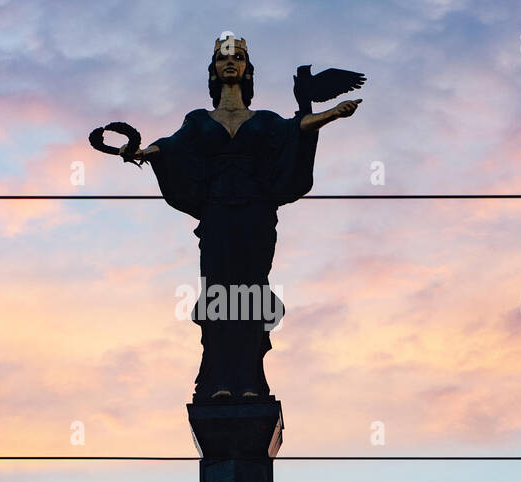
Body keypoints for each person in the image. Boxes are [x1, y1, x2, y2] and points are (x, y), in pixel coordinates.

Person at [134, 37, 362, 402]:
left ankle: (251, 380)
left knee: (251, 292)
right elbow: (172, 146)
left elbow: (297, 128)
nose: (231, 63)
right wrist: (142, 152)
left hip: (255, 214)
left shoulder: (265, 121)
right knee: (220, 293)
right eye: (223, 58)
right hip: (217, 215)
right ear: (213, 70)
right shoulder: (198, 120)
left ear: (246, 69)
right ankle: (220, 380)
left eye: (238, 57)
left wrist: (333, 113)